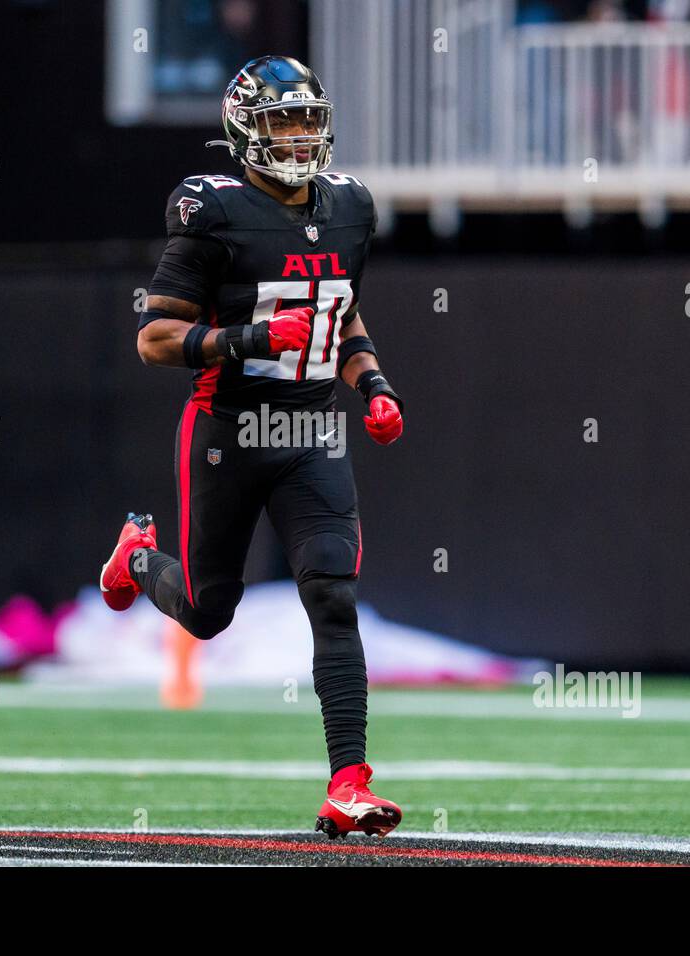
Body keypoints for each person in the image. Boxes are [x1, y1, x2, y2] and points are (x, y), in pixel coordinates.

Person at [99, 56, 406, 838]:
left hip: (308, 431)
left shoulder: (351, 207)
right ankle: (138, 556)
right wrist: (250, 337)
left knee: (333, 596)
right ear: (244, 130)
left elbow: (343, 317)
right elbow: (156, 339)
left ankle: (348, 783)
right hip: (227, 431)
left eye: (308, 119)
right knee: (207, 613)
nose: (300, 136)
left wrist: (372, 385)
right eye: (282, 121)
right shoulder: (212, 210)